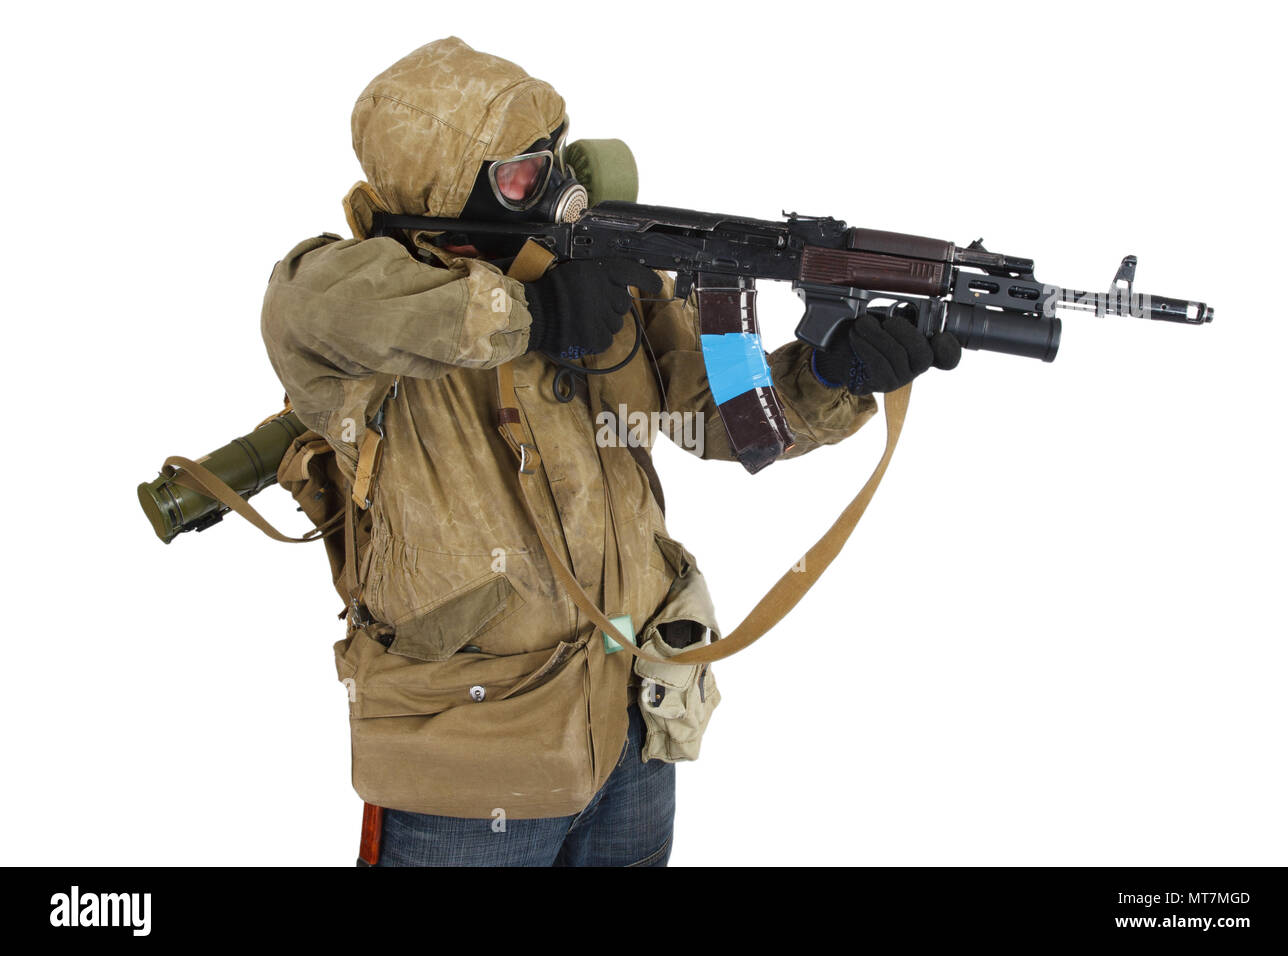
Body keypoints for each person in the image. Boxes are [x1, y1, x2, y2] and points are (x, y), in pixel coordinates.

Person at [260, 37, 959, 867]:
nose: (555, 187)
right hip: (465, 754)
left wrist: (830, 372)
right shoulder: (336, 294)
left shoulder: (598, 279)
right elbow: (328, 310)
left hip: (633, 715)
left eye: (555, 155)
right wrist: (536, 315)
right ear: (445, 186)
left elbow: (718, 416)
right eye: (520, 173)